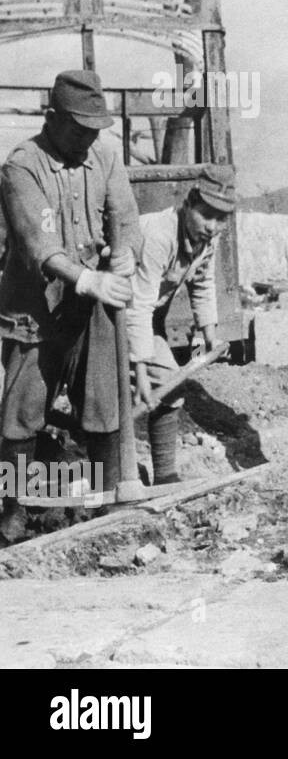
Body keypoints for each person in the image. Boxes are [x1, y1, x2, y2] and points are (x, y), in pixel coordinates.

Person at [0, 71, 140, 539]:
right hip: (34, 308)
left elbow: (125, 215)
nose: (88, 138)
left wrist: (126, 251)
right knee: (23, 413)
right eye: (79, 128)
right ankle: (14, 508)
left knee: (103, 404)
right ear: (52, 118)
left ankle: (100, 504)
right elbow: (39, 244)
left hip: (89, 305)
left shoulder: (105, 154)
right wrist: (87, 279)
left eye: (95, 129)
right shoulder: (22, 165)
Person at [126, 165, 235, 485]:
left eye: (222, 219)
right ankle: (112, 479)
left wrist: (210, 337)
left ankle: (165, 476)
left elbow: (202, 285)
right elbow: (139, 305)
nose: (214, 226)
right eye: (207, 215)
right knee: (110, 402)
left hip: (143, 318)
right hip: (108, 315)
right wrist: (141, 372)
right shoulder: (159, 235)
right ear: (188, 204)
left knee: (170, 386)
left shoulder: (206, 238)